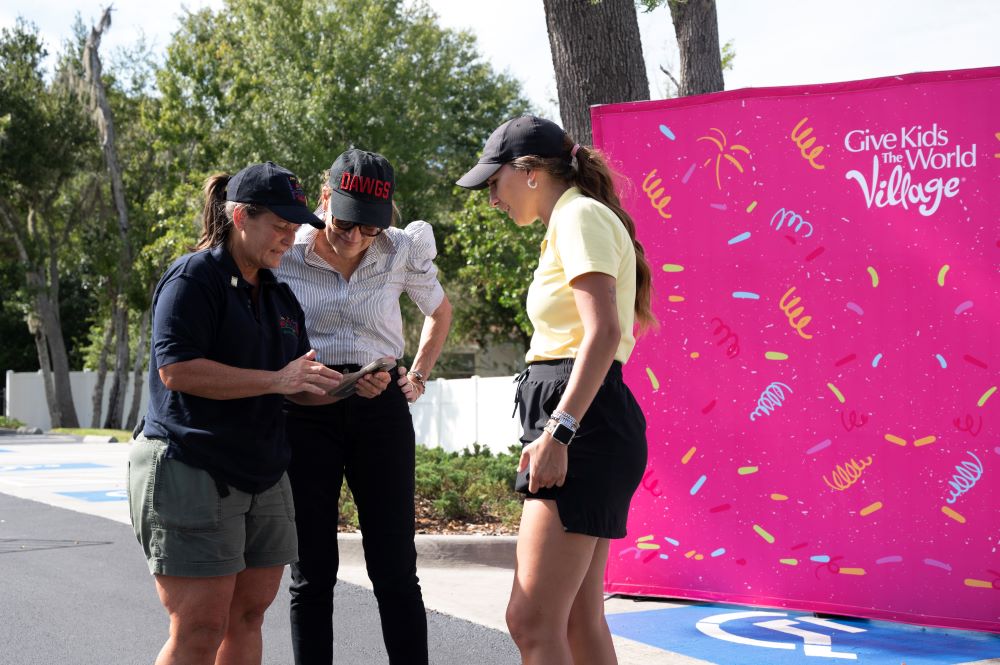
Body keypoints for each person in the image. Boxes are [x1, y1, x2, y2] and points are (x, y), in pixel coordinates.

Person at [457, 115, 656, 665]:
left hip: (582, 424)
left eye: (492, 183)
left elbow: (604, 334)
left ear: (528, 173)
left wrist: (558, 431)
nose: (490, 198)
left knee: (531, 619)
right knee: (575, 619)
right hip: (587, 419)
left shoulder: (579, 217)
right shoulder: (571, 220)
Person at [127, 161, 344, 665]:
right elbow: (176, 371)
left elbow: (297, 386)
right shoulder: (193, 277)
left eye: (295, 228)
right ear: (242, 216)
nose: (289, 239)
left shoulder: (279, 295)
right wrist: (277, 380)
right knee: (201, 626)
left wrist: (349, 389)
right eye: (280, 226)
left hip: (263, 472)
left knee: (248, 617)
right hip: (190, 465)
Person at [276, 148, 452, 665]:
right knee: (312, 569)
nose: (354, 238)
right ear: (325, 198)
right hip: (305, 410)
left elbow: (439, 314)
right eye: (345, 222)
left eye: (369, 229)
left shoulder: (400, 250)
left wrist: (414, 376)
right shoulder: (285, 252)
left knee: (394, 566)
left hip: (380, 414)